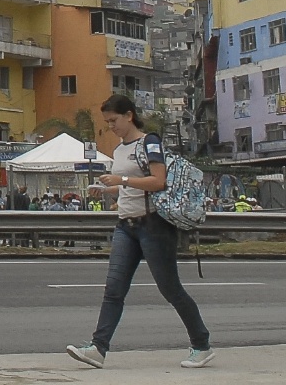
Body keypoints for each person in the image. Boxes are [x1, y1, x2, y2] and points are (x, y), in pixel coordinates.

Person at [66, 95, 213, 370]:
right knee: (114, 290)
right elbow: (130, 186)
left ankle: (201, 344)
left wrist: (120, 179)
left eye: (114, 120)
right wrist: (109, 189)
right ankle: (98, 348)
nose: (111, 126)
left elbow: (158, 181)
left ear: (129, 115)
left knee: (171, 289)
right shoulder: (120, 150)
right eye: (107, 122)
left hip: (153, 225)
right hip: (126, 225)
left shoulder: (149, 142)